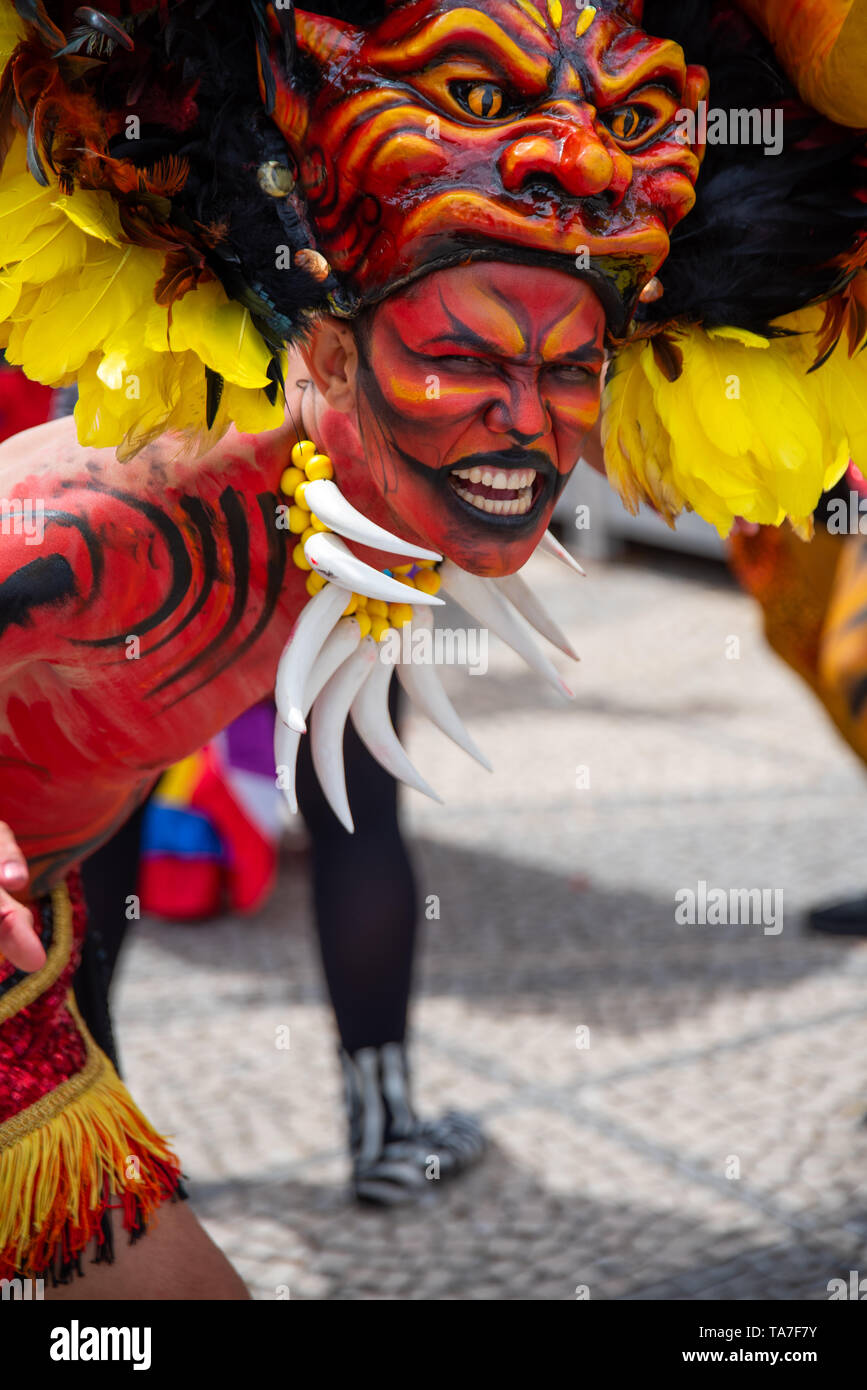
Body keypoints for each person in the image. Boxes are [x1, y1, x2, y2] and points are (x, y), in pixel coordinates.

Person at [1, 0, 866, 1300]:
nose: (524, 428)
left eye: (572, 368)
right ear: (331, 352)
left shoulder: (379, 499)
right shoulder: (128, 523)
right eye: (464, 359)